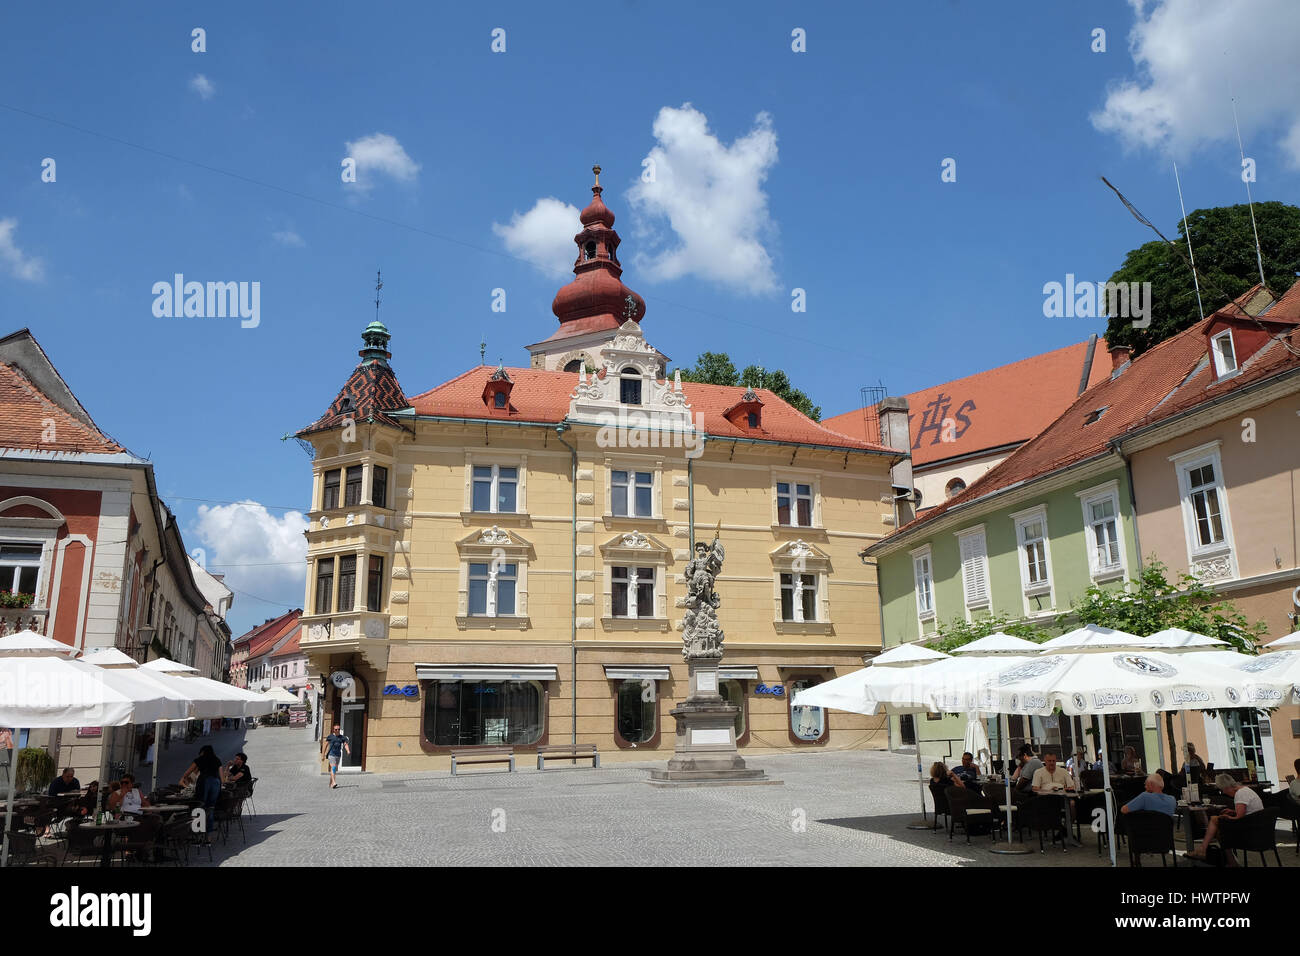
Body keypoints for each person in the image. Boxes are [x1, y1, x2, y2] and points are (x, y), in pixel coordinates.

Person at [1186, 773, 1264, 864]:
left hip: (1249, 832)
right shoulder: (1246, 790)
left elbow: (1239, 818)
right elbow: (1248, 812)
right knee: (1220, 830)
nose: (1224, 793)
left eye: (1222, 790)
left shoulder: (1240, 794)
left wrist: (1228, 817)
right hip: (1257, 828)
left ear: (1226, 787)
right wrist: (1233, 812)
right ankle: (1228, 860)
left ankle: (1203, 850)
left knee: (1215, 820)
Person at [180, 744, 225, 843]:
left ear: (203, 752)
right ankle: (208, 837)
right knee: (210, 808)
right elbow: (222, 778)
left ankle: (198, 835)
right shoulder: (217, 760)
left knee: (199, 807)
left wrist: (183, 779)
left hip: (204, 782)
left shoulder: (200, 759)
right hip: (216, 783)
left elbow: (188, 773)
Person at [323, 724, 351, 789]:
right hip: (331, 755)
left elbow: (345, 744)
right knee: (333, 768)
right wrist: (323, 755)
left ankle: (331, 783)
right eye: (336, 729)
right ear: (334, 730)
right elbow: (325, 745)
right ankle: (334, 782)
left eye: (338, 729)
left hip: (338, 755)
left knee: (334, 770)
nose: (337, 731)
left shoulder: (342, 737)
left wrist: (348, 750)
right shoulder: (330, 737)